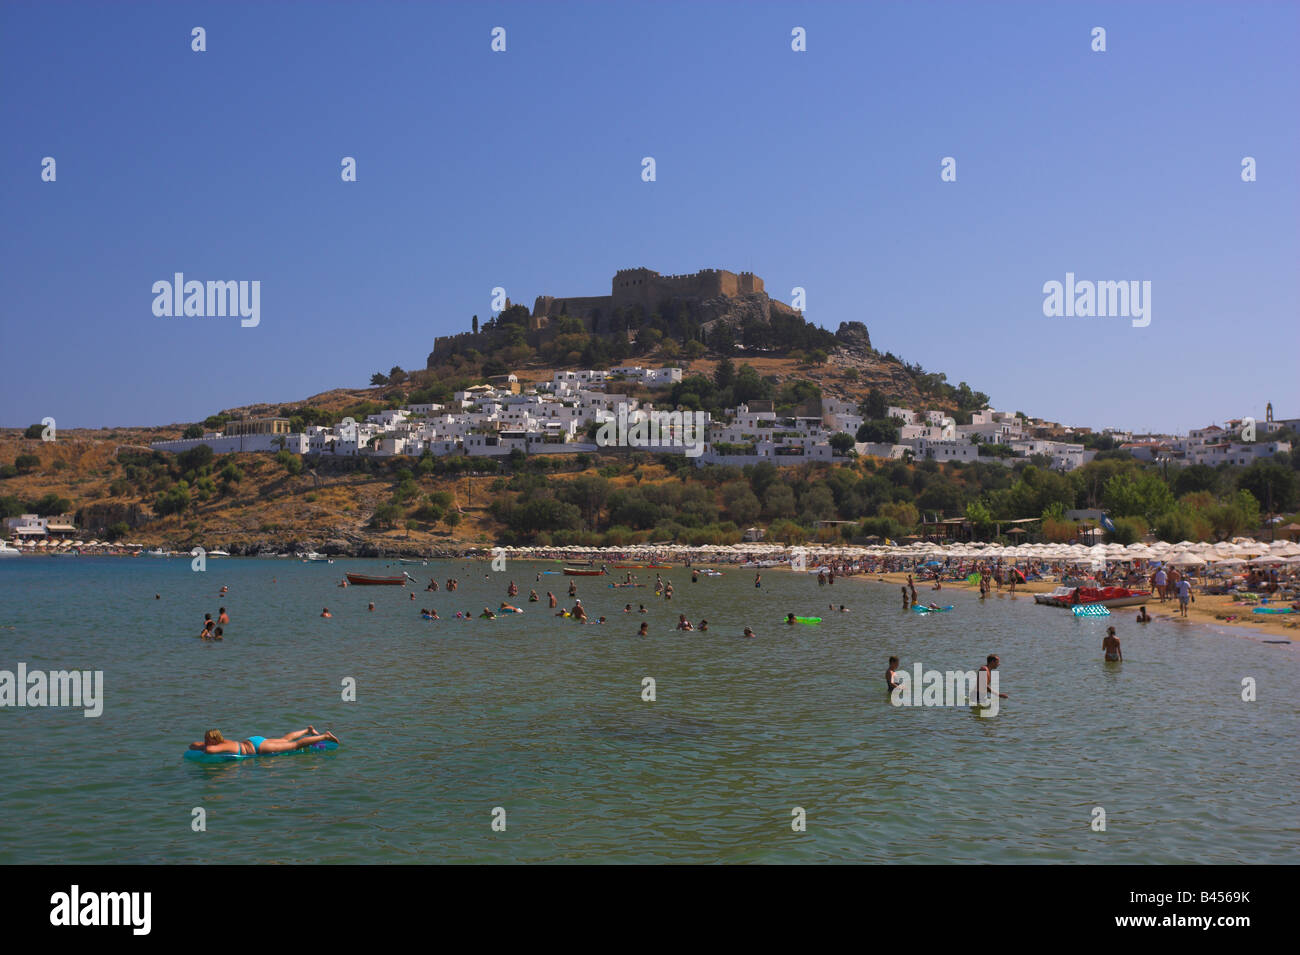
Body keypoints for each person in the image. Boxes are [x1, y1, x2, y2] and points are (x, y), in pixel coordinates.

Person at [189, 727, 339, 756]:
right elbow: (192, 745)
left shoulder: (216, 747)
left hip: (258, 748)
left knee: (295, 745)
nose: (204, 742)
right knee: (284, 739)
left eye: (207, 739)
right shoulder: (222, 741)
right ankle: (307, 730)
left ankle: (324, 736)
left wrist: (202, 746)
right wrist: (201, 744)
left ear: (213, 740)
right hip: (253, 740)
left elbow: (208, 750)